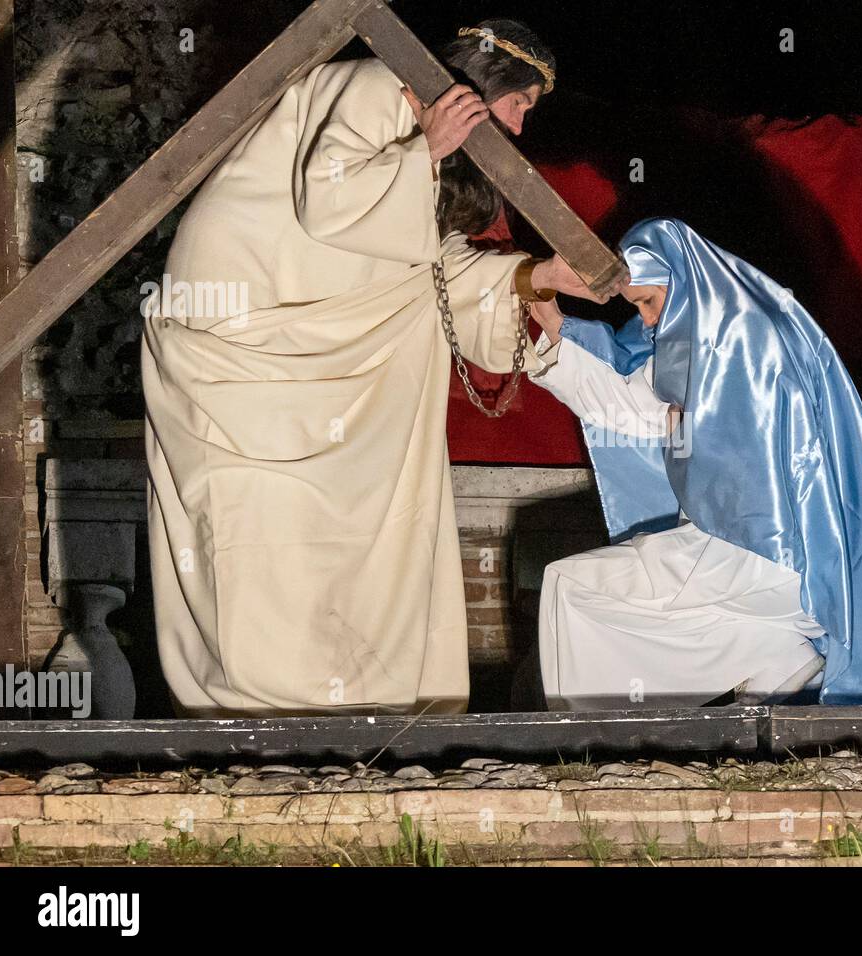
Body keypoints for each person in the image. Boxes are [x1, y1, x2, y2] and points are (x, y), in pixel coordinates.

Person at [141, 20, 613, 716]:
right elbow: (330, 202)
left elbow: (421, 263)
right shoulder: (371, 87)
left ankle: (364, 704)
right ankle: (259, 710)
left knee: (359, 540)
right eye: (519, 104)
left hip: (331, 357)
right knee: (262, 536)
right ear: (488, 85)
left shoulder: (428, 147)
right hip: (246, 355)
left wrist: (533, 275)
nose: (517, 126)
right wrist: (427, 147)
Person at [526, 218, 862, 711]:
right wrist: (553, 320)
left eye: (648, 302)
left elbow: (693, 417)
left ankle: (597, 740)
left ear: (686, 284)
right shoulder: (689, 340)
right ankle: (771, 657)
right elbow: (631, 404)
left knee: (575, 588)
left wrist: (682, 423)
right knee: (584, 592)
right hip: (737, 551)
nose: (645, 320)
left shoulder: (748, 337)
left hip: (766, 550)